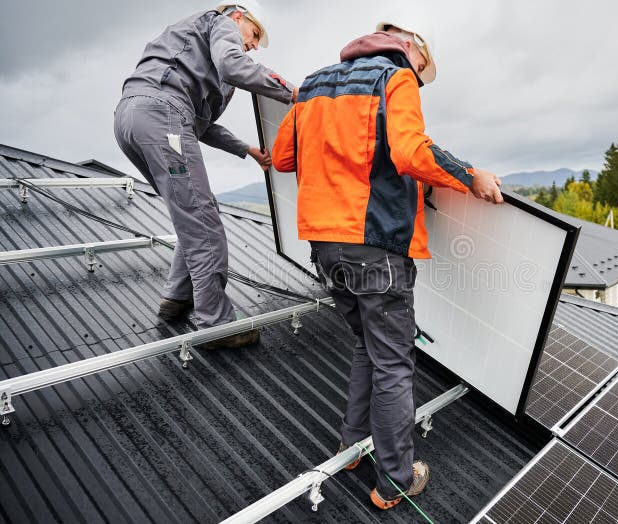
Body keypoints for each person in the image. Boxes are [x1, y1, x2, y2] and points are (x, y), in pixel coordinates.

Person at [271, 20, 503, 510]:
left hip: (325, 245)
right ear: (411, 49)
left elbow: (282, 158)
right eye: (423, 68)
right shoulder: (394, 78)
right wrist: (469, 176)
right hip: (374, 245)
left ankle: (351, 446)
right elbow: (411, 151)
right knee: (394, 363)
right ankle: (395, 480)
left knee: (366, 345)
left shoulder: (312, 84)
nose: (420, 77)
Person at [114, 3, 297, 348]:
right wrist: (292, 91)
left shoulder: (195, 53)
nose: (253, 45)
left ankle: (177, 297)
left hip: (130, 118)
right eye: (254, 35)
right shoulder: (221, 24)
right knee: (203, 221)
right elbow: (233, 66)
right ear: (238, 17)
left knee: (194, 211)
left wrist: (247, 149)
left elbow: (201, 124)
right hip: (161, 116)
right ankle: (216, 324)